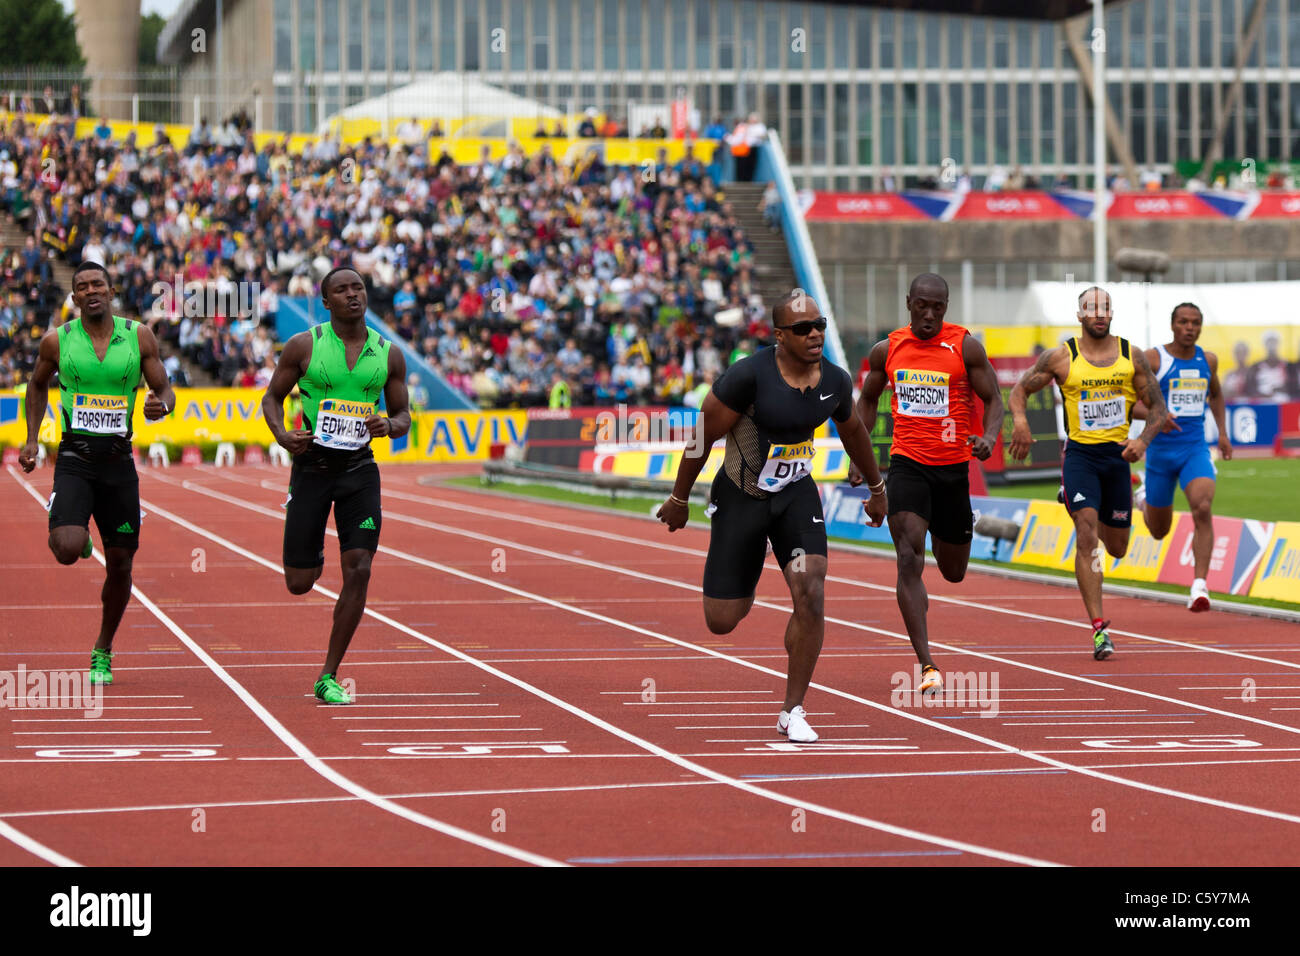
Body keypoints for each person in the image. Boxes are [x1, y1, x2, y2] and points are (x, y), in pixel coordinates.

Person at [657, 291, 888, 743]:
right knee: (722, 619)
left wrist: (878, 489)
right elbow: (701, 439)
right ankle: (749, 564)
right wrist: (679, 499)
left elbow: (854, 430)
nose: (815, 334)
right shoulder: (746, 378)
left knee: (812, 589)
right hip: (742, 496)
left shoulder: (836, 381)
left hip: (795, 497)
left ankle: (793, 709)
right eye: (803, 329)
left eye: (819, 324)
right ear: (780, 336)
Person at [19, 261, 175, 686]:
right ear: (74, 296)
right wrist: (32, 439)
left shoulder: (138, 335)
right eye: (82, 286)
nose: (91, 291)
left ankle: (103, 649)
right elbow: (36, 385)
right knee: (66, 547)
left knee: (122, 563)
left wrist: (162, 403)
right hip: (75, 456)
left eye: (98, 285)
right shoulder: (58, 340)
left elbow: (164, 388)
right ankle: (81, 535)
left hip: (119, 462)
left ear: (110, 290)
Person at [261, 267, 410, 705]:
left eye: (358, 288)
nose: (352, 295)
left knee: (360, 567)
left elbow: (403, 415)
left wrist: (389, 424)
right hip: (312, 467)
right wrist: (284, 436)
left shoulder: (389, 354)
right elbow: (271, 397)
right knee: (299, 582)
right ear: (326, 302)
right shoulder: (304, 345)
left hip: (359, 471)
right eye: (341, 290)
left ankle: (329, 674)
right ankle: (314, 550)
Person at [850, 273, 1004, 697]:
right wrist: (859, 459)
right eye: (923, 305)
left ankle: (940, 544)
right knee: (907, 556)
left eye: (939, 307)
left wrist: (989, 437)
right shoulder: (889, 349)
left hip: (953, 471)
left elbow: (994, 399)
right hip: (908, 466)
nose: (931, 315)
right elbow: (866, 400)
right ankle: (927, 663)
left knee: (953, 572)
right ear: (908, 303)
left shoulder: (964, 346)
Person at [1009, 286, 1168, 659]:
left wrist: (1142, 442)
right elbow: (1019, 390)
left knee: (1118, 547)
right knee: (1086, 532)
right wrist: (1020, 421)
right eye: (1091, 309)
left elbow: (1158, 409)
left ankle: (1086, 498)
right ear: (1079, 315)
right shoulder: (1060, 357)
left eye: (1105, 308)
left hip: (1118, 459)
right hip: (1080, 456)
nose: (1099, 314)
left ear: (1112, 313)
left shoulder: (1133, 357)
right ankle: (1099, 629)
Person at [1132, 303, 1232, 612]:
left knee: (1202, 507)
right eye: (1183, 322)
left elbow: (1214, 394)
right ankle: (1145, 497)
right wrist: (1156, 415)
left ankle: (1199, 586)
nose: (1189, 328)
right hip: (1160, 454)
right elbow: (1128, 402)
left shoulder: (1208, 360)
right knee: (1158, 531)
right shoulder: (1154, 359)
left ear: (1201, 327)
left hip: (1194, 449)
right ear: (1173, 325)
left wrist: (1224, 433)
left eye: (1195, 323)